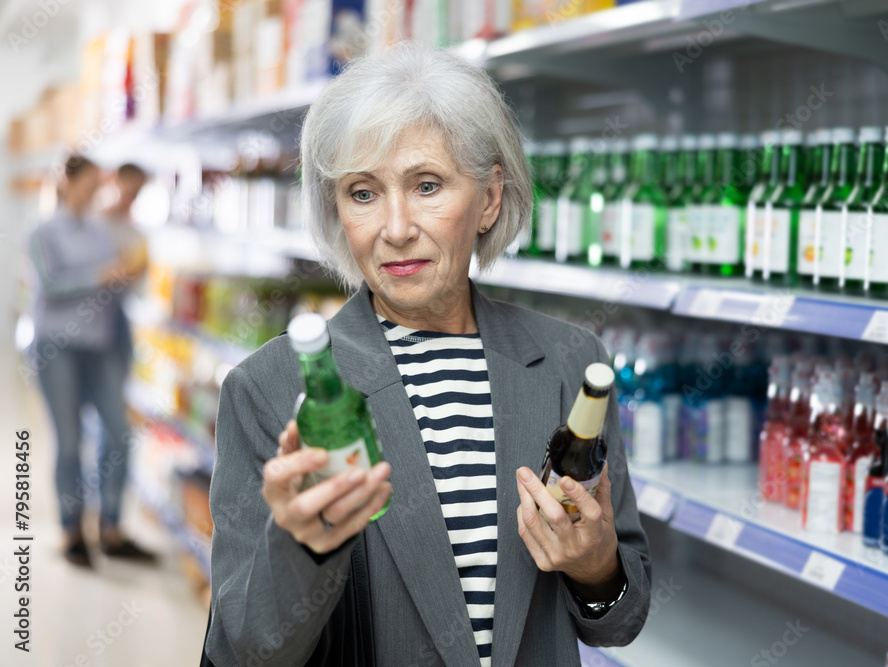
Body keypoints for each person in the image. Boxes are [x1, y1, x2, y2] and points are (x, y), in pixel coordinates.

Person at [205, 43, 651, 667]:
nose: (395, 227)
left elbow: (619, 622)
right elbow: (248, 651)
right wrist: (299, 549)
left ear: (490, 197)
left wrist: (596, 564)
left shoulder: (569, 365)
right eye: (363, 193)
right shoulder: (270, 388)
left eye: (427, 186)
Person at [28, 155, 154, 566]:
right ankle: (71, 530)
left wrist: (126, 276)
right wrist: (98, 276)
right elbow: (51, 285)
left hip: (101, 346)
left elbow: (113, 289)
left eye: (95, 185)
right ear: (66, 183)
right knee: (69, 441)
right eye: (85, 184)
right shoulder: (43, 232)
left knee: (118, 433)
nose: (92, 192)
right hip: (57, 347)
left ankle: (111, 527)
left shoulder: (104, 231)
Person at [102, 162, 149, 370]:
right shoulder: (95, 224)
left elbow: (137, 280)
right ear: (114, 182)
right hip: (90, 321)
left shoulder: (136, 235)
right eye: (128, 191)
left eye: (136, 193)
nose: (131, 199)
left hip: (117, 317)